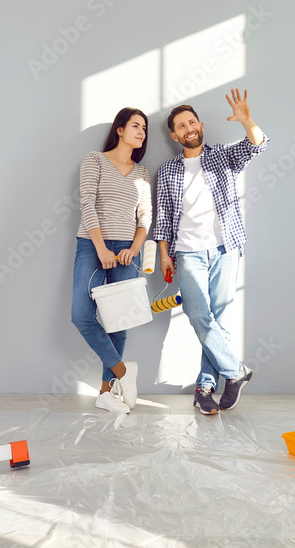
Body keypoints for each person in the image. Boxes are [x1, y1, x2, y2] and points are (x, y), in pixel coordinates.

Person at [154, 88, 268, 415]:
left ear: (201, 125)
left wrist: (247, 121)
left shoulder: (222, 155)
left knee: (221, 319)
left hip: (225, 248)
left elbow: (256, 145)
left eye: (192, 122)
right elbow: (163, 217)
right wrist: (164, 254)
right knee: (198, 315)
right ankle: (235, 372)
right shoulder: (168, 171)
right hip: (188, 251)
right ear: (175, 136)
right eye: (181, 126)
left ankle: (205, 388)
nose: (189, 128)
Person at [71, 107, 151, 414]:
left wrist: (134, 248)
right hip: (92, 245)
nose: (141, 132)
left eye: (144, 128)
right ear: (120, 129)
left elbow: (145, 216)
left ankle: (106, 393)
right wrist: (101, 247)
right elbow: (87, 203)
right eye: (135, 126)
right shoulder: (95, 160)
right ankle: (123, 371)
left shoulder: (142, 172)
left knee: (120, 322)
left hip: (128, 251)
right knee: (81, 315)